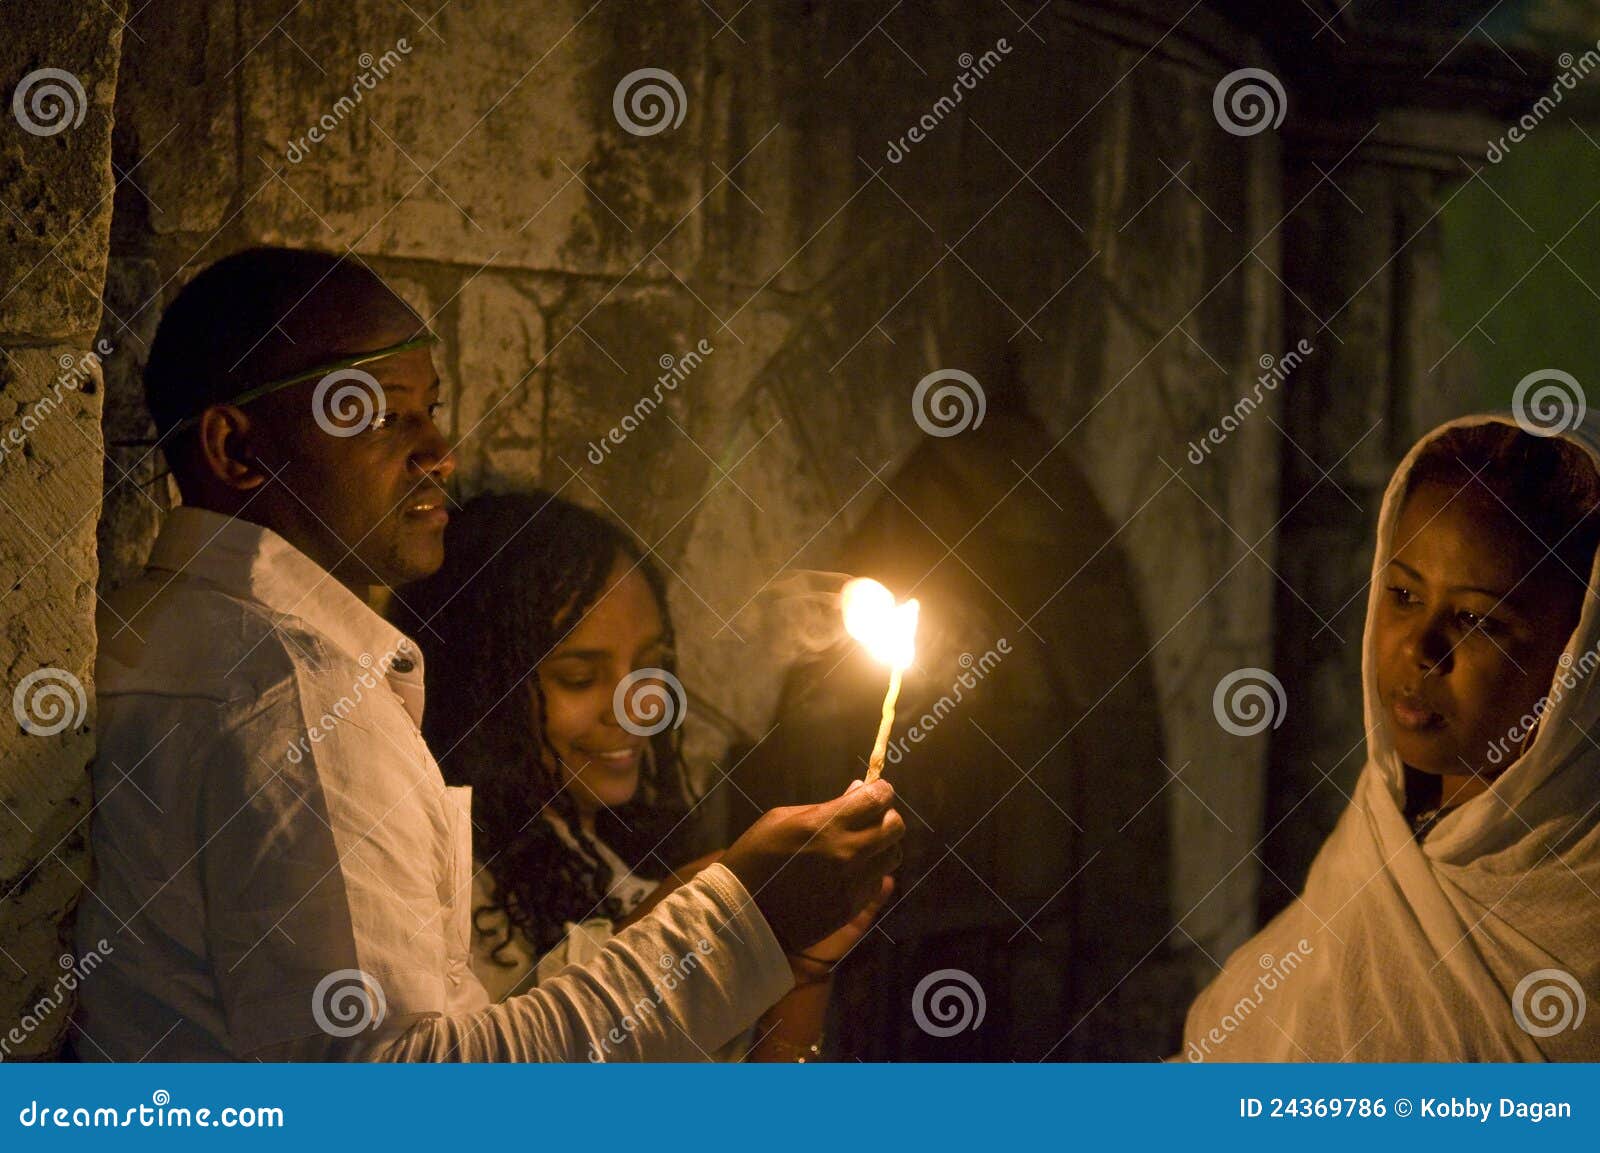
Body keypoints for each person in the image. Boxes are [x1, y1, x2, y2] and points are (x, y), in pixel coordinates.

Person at [73, 246, 904, 1061]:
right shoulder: (291, 689)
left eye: (432, 409)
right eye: (384, 414)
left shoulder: (168, 630)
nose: (438, 451)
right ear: (236, 450)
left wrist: (696, 924)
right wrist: (735, 922)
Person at [396, 491, 884, 1060]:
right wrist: (685, 921)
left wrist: (800, 971)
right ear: (482, 687)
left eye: (650, 665)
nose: (638, 707)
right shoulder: (439, 892)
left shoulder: (613, 855)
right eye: (580, 677)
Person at [1181, 414, 1600, 1061]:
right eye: (1403, 593)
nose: (1419, 647)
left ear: (1580, 652)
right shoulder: (1374, 838)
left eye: (1475, 619)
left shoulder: (1573, 909)